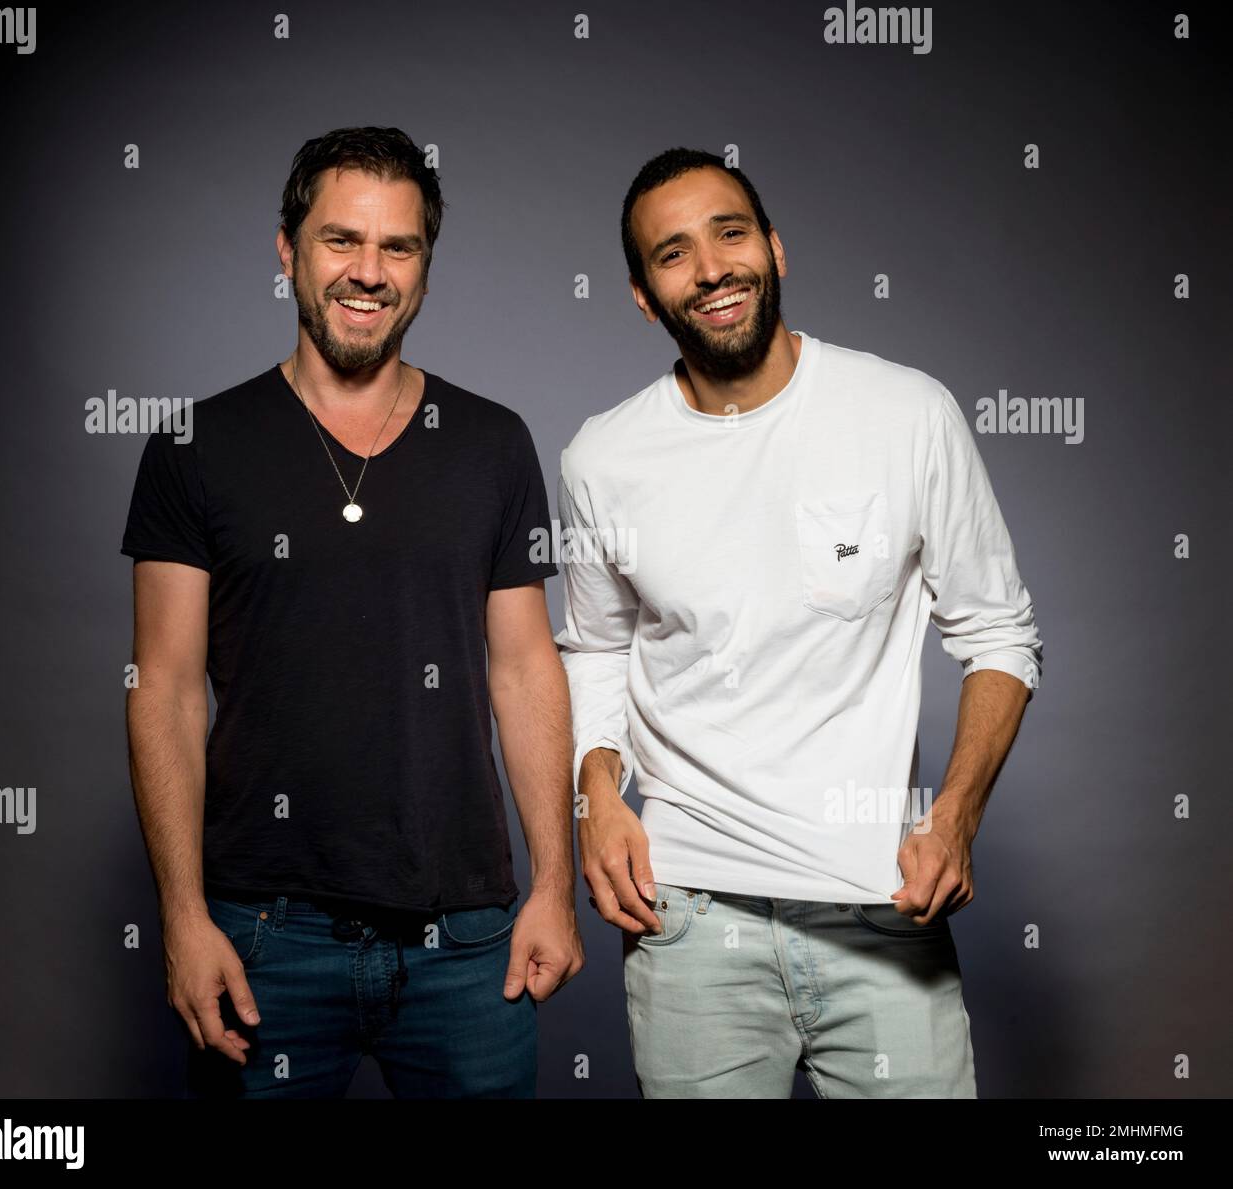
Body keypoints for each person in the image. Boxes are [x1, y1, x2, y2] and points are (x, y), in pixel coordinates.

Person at [555, 147, 1044, 1098]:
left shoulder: (907, 413)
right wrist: (596, 797)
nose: (710, 268)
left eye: (730, 234)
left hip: (880, 908)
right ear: (642, 296)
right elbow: (596, 645)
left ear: (775, 250)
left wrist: (955, 814)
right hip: (690, 917)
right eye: (673, 254)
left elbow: (999, 633)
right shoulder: (602, 457)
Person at [121, 126, 582, 1099]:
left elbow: (524, 668)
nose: (367, 271)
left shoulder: (493, 444)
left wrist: (553, 886)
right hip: (260, 937)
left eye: (397, 247)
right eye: (341, 240)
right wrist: (181, 916)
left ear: (423, 268)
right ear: (287, 250)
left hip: (465, 939)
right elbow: (163, 688)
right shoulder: (192, 446)